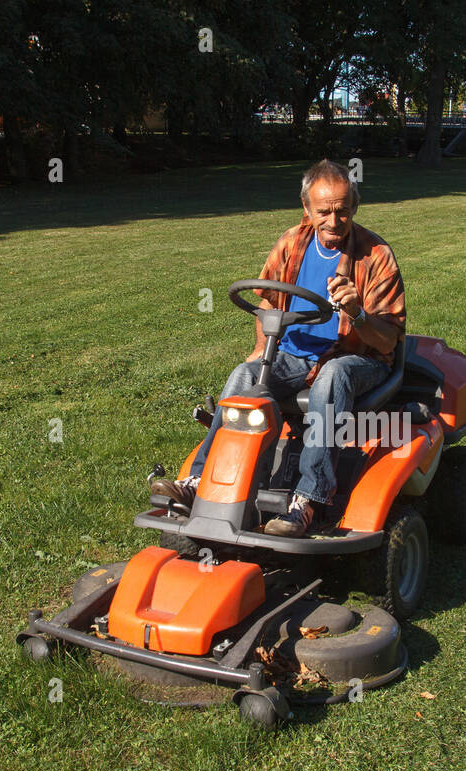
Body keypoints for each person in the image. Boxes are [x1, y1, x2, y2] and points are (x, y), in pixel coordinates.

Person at [150, 159, 407, 536]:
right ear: (306, 209)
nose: (334, 222)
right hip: (291, 355)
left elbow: (389, 340)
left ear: (354, 206)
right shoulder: (292, 243)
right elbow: (268, 301)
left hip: (358, 357)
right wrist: (260, 349)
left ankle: (309, 500)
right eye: (324, 212)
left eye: (342, 211)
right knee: (243, 375)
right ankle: (199, 482)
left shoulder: (376, 255)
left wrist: (360, 314)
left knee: (332, 377)